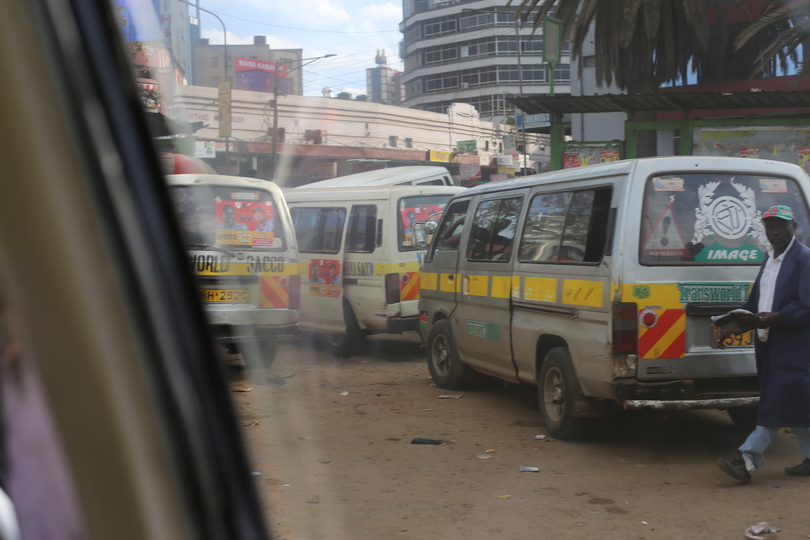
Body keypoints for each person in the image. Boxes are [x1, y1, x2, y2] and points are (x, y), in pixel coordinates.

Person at [715, 204, 810, 484]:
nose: (775, 231)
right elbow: (755, 302)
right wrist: (729, 327)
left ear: (793, 226)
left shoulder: (804, 259)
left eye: (781, 225)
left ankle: (747, 461)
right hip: (768, 344)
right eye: (770, 226)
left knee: (774, 403)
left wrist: (778, 317)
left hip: (794, 345)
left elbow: (807, 304)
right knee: (793, 402)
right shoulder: (769, 259)